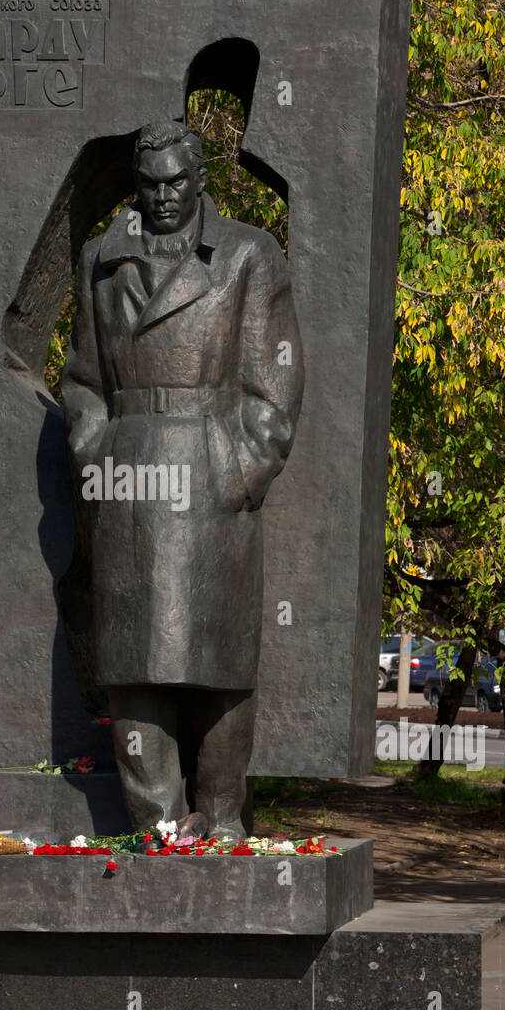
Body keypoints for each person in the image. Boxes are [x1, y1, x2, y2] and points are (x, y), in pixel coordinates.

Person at [61, 120, 303, 837]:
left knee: (219, 661)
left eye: (176, 181)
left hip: (209, 467)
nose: (164, 196)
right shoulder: (101, 259)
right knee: (135, 662)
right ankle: (160, 831)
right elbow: (82, 379)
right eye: (150, 182)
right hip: (128, 471)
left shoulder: (248, 255)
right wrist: (95, 451)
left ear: (200, 179)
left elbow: (277, 381)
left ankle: (224, 822)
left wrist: (238, 470)